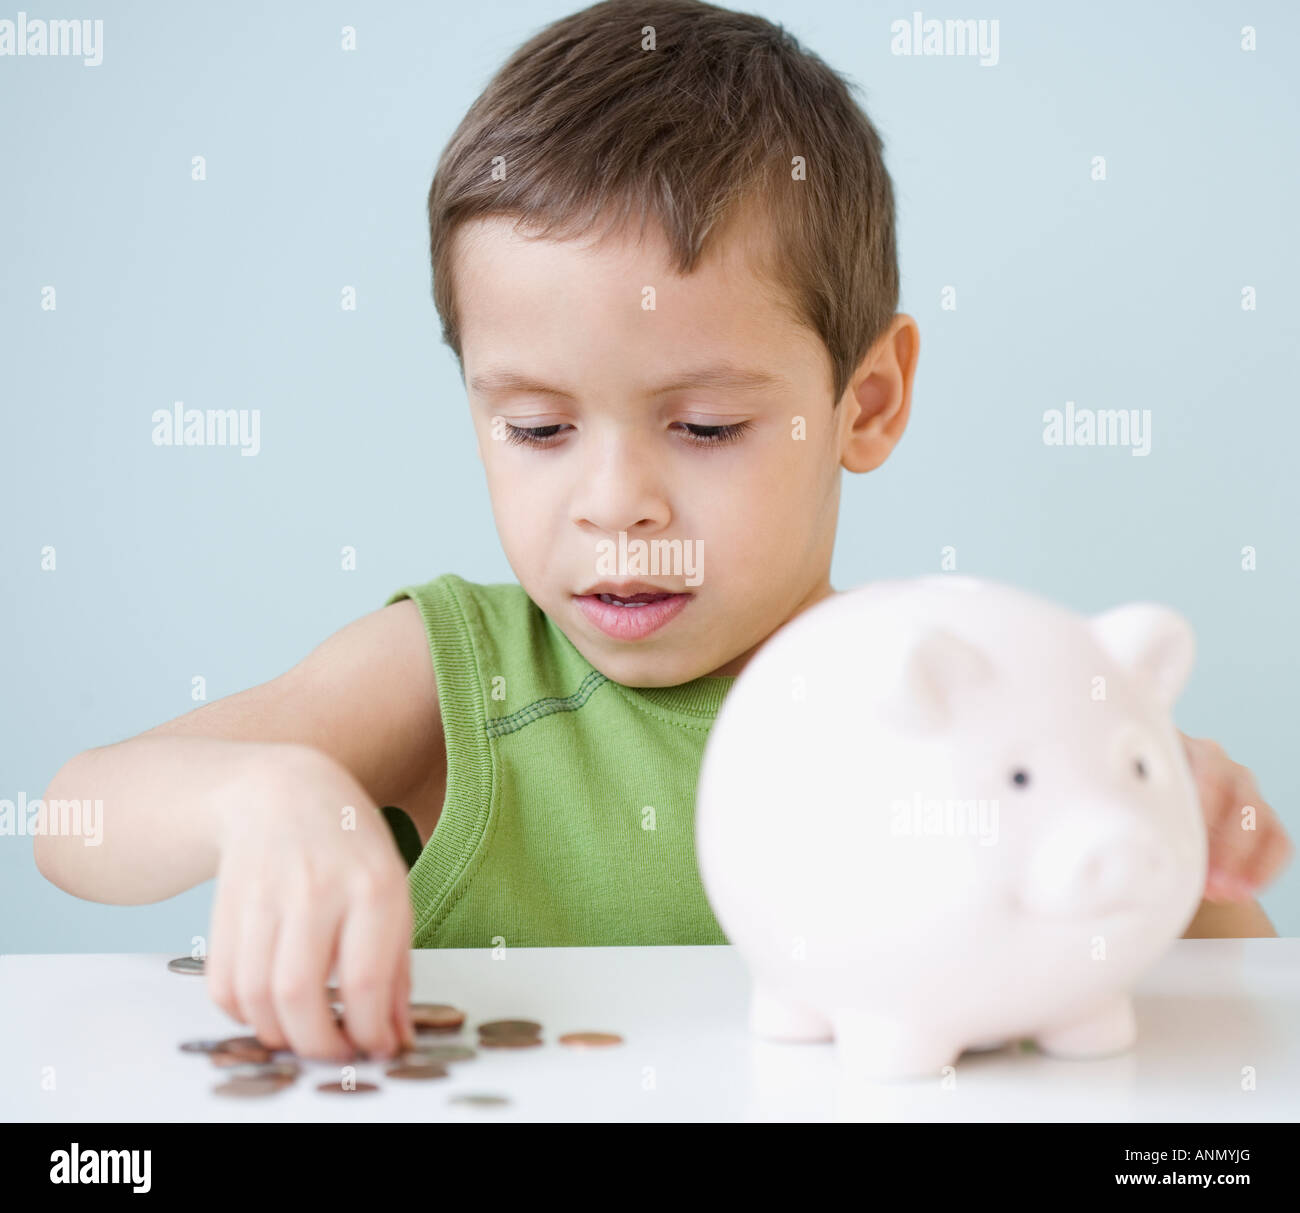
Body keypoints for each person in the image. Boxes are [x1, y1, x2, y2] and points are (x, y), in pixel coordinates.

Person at [35, 0, 1291, 1064]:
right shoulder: (456, 678)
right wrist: (265, 791)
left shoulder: (969, 692)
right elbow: (71, 820)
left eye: (699, 428)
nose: (612, 504)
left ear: (866, 400)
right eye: (536, 429)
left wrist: (1162, 828)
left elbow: (1226, 1012)